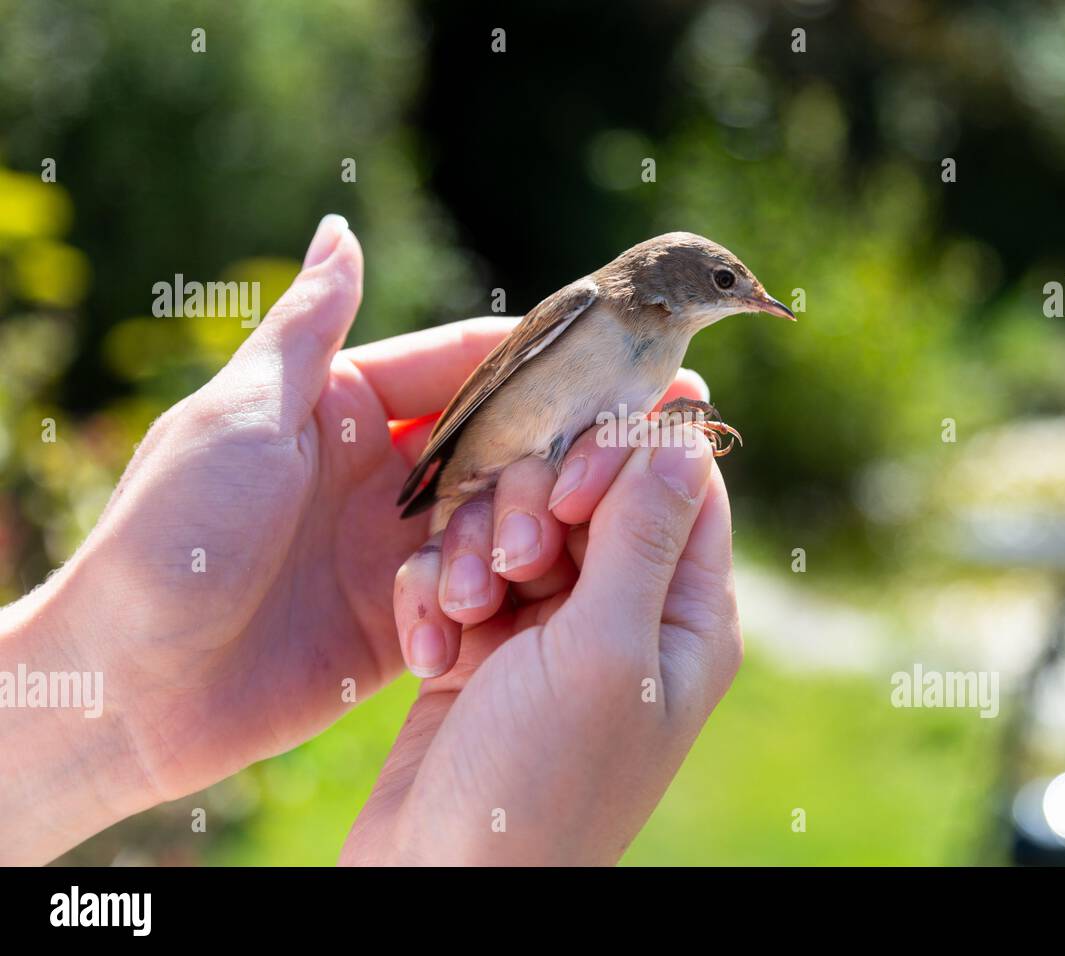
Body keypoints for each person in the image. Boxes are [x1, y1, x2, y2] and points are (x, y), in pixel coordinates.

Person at [0, 216, 742, 866]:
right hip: (480, 462)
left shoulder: (666, 358)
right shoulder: (586, 305)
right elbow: (493, 389)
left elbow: (589, 434)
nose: (749, 302)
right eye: (726, 283)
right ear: (669, 283)